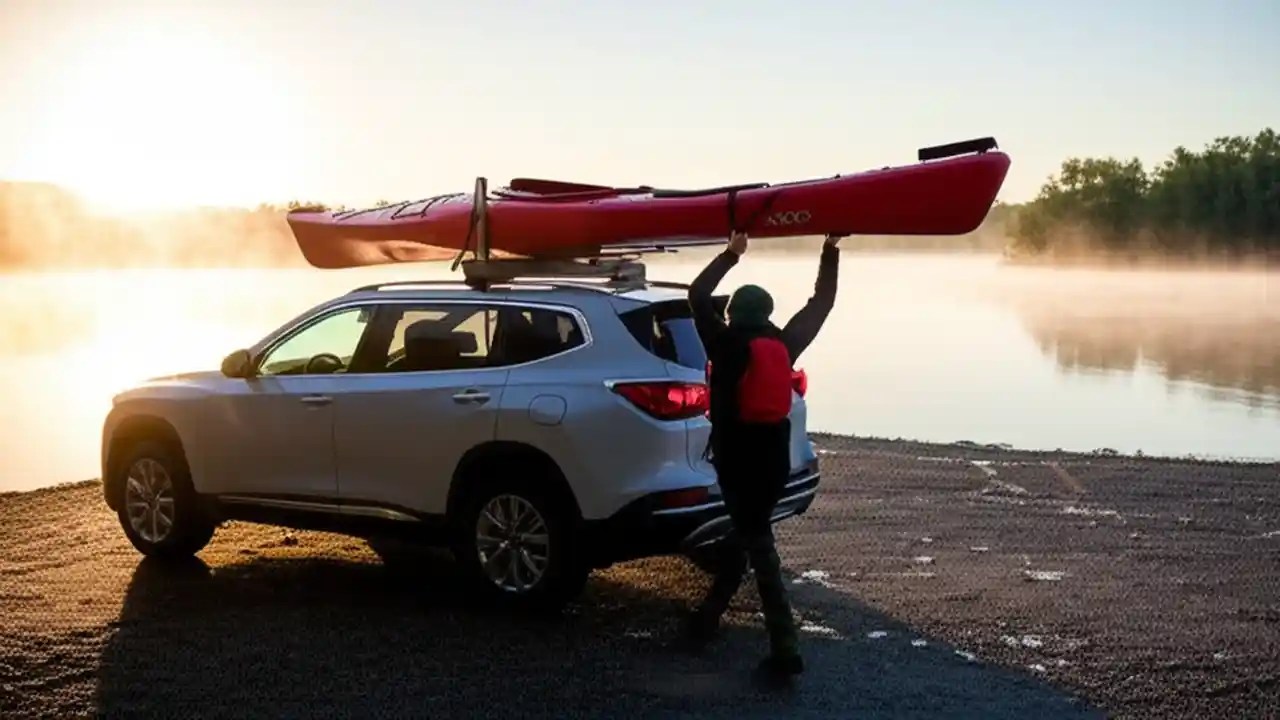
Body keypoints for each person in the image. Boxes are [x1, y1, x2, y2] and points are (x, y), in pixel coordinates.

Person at [684, 230, 841, 678]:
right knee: (745, 534)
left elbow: (697, 295)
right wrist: (830, 249)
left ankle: (786, 649)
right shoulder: (785, 345)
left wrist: (731, 254)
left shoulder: (724, 344)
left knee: (760, 548)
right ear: (767, 313)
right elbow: (821, 304)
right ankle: (706, 617)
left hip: (737, 461)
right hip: (774, 463)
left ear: (733, 314)